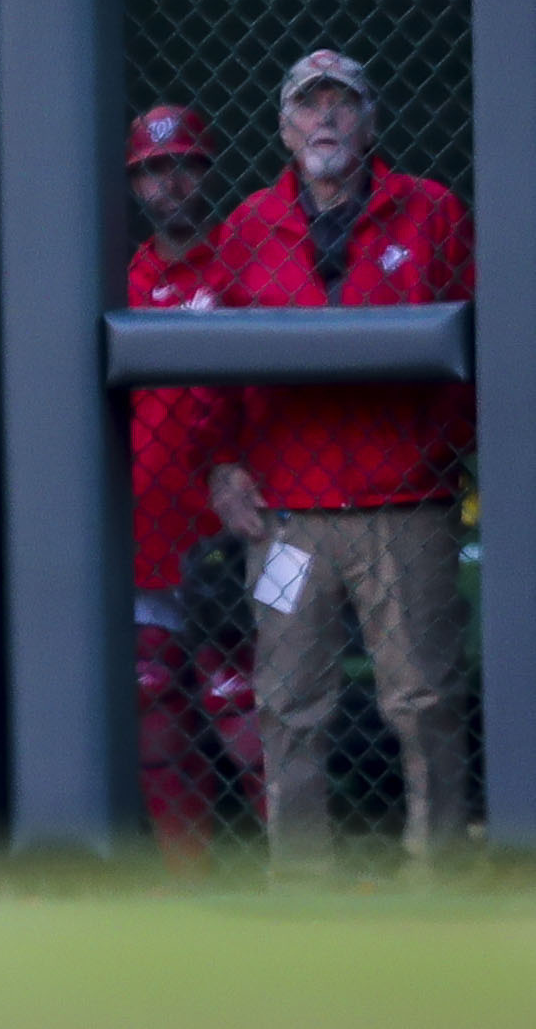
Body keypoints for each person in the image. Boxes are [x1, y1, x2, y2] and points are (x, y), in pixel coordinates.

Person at [206, 50, 475, 874]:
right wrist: (224, 465)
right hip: (290, 516)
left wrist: (440, 454)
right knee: (287, 702)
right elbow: (213, 363)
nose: (326, 118)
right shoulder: (249, 226)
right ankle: (302, 883)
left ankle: (440, 875)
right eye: (309, 105)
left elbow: (477, 347)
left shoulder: (429, 211)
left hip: (408, 505)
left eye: (343, 103)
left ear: (370, 121)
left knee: (425, 698)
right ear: (285, 129)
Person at [124, 105, 259, 869]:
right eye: (152, 167)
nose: (169, 179)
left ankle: (294, 874)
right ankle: (189, 883)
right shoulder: (122, 274)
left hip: (230, 534)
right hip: (146, 536)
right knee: (156, 708)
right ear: (135, 181)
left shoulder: (241, 260)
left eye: (183, 163)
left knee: (246, 708)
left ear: (206, 170)